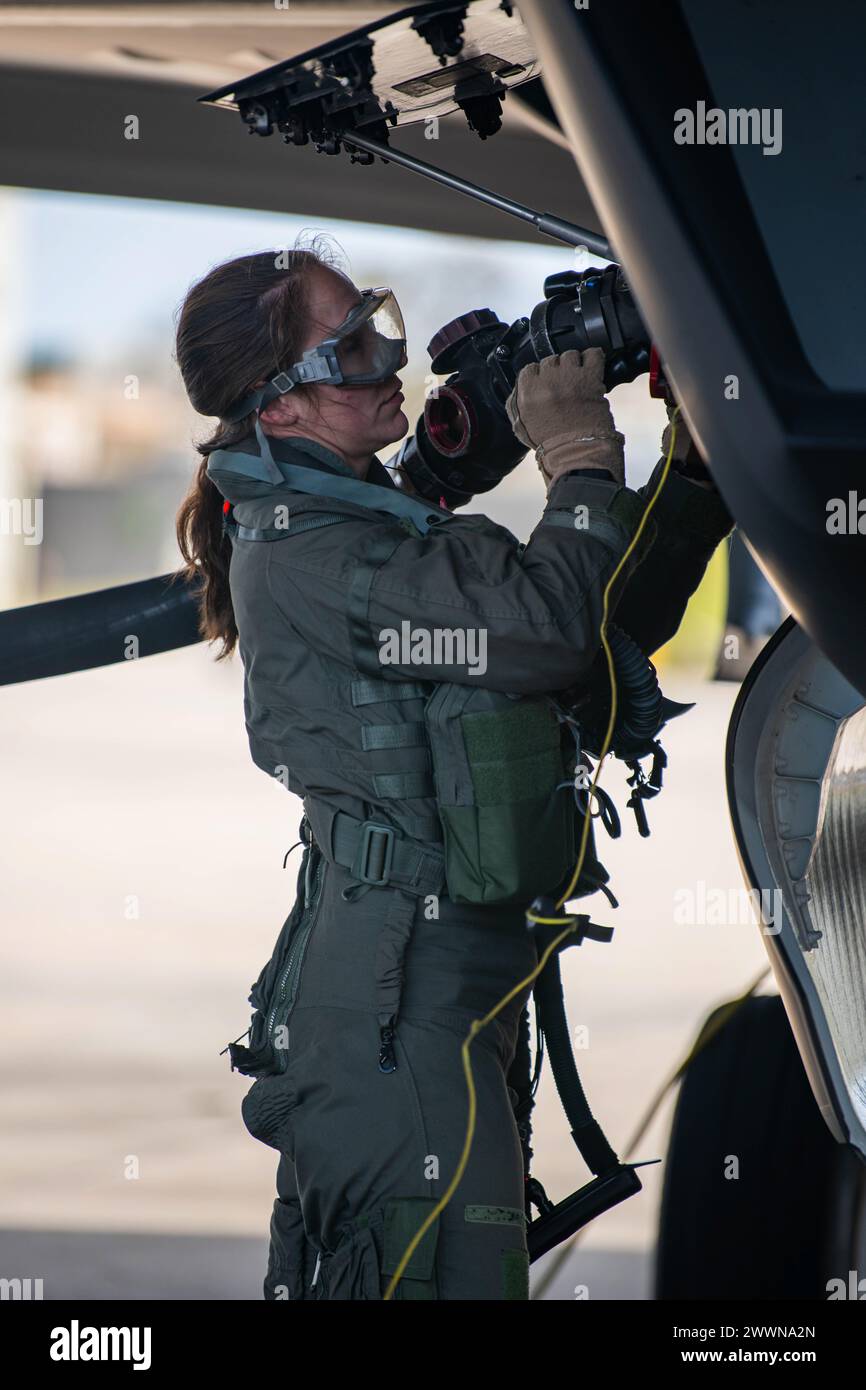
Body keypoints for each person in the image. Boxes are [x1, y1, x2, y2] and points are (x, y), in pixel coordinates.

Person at [174, 241, 734, 1300]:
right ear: (282, 406)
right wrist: (578, 458)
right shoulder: (316, 554)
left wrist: (693, 476)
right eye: (353, 348)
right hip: (395, 1007)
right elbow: (545, 630)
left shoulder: (375, 523)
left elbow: (590, 643)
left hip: (448, 979)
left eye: (379, 325)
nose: (389, 360)